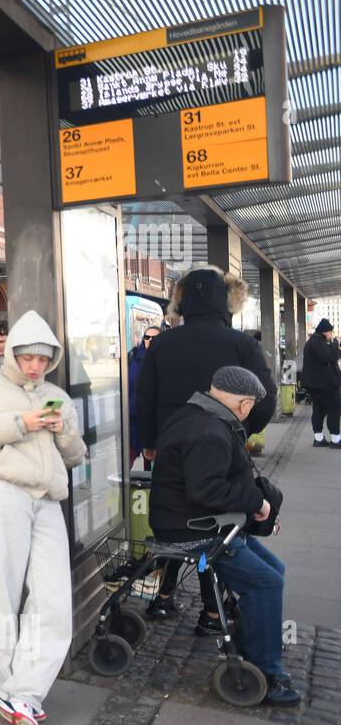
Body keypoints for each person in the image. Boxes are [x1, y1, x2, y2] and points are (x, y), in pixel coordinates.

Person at [0, 310, 86, 725]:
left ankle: (25, 690)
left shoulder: (56, 395)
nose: (35, 366)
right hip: (3, 492)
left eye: (43, 359)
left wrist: (62, 429)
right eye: (28, 357)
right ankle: (0, 687)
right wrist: (21, 423)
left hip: (46, 498)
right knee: (2, 593)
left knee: (53, 599)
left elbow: (75, 455)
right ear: (10, 352)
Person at [148, 366, 299, 707]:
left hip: (200, 521)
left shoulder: (196, 414)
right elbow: (207, 489)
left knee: (273, 569)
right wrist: (256, 501)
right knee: (266, 583)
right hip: (194, 529)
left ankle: (252, 645)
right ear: (245, 404)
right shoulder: (208, 431)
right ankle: (264, 670)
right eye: (251, 405)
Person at [136, 267, 275, 623]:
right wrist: (242, 430)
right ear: (225, 302)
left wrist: (150, 442)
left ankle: (165, 595)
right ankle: (213, 608)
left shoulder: (164, 342)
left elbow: (145, 396)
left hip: (170, 446)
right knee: (215, 527)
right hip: (218, 445)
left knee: (175, 522)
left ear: (183, 302)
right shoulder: (240, 343)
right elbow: (267, 397)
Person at [300, 318, 341, 448]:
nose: (331, 335)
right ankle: (336, 440)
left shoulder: (315, 342)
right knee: (334, 408)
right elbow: (328, 358)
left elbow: (330, 358)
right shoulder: (317, 343)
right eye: (330, 333)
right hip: (325, 385)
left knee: (319, 409)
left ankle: (318, 439)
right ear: (325, 332)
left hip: (317, 385)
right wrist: (336, 346)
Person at [127, 326, 161, 469]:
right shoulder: (133, 356)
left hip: (155, 423)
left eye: (155, 338)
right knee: (126, 463)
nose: (150, 341)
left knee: (153, 469)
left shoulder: (167, 358)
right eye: (147, 337)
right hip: (133, 421)